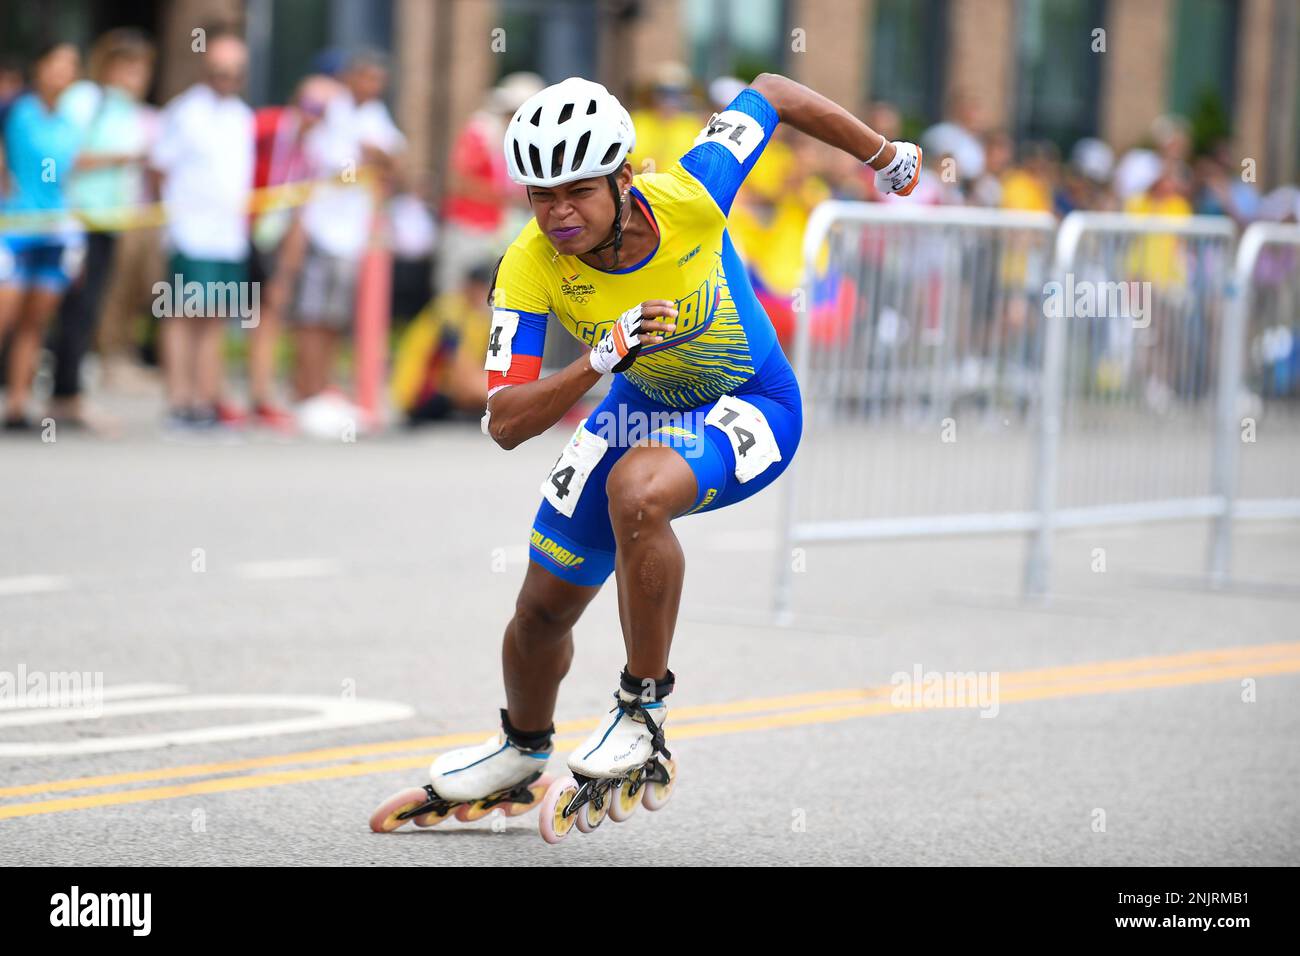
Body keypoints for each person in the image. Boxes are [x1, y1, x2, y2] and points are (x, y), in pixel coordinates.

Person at [374, 74, 921, 840]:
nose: (558, 212)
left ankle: (643, 708)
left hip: (752, 400)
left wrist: (883, 153)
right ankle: (521, 748)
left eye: (577, 191)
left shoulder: (695, 190)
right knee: (539, 610)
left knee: (638, 489)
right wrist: (600, 356)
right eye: (540, 196)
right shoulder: (529, 265)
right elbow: (502, 421)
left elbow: (772, 92)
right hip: (636, 403)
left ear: (624, 179)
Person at [48, 28, 156, 436]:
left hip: (110, 222)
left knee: (89, 308)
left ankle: (69, 392)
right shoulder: (85, 100)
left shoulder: (127, 109)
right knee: (72, 309)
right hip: (78, 221)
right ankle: (64, 396)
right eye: (129, 67)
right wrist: (121, 158)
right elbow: (66, 157)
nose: (137, 76)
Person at [147, 27, 253, 430]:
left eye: (236, 71)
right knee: (181, 314)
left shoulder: (242, 116)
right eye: (221, 70)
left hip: (228, 237)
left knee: (215, 317)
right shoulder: (185, 111)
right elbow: (159, 168)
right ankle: (180, 398)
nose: (228, 78)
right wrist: (168, 220)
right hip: (190, 232)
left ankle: (207, 397)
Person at [291, 48, 405, 402]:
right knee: (310, 317)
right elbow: (303, 137)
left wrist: (378, 155)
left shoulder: (375, 115)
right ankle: (304, 390)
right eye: (368, 78)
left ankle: (322, 389)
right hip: (318, 226)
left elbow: (397, 162)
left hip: (350, 234)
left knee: (334, 319)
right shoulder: (329, 105)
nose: (373, 87)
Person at [0, 42, 83, 431]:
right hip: (14, 228)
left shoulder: (69, 123)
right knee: (5, 315)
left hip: (52, 231)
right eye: (57, 64)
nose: (63, 73)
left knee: (35, 324)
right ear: (41, 67)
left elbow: (65, 179)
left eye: (71, 67)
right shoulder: (17, 108)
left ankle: (18, 405)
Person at [436, 72, 543, 297]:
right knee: (454, 297)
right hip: (469, 227)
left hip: (503, 230)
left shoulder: (527, 139)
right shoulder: (481, 131)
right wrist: (510, 199)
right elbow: (459, 181)